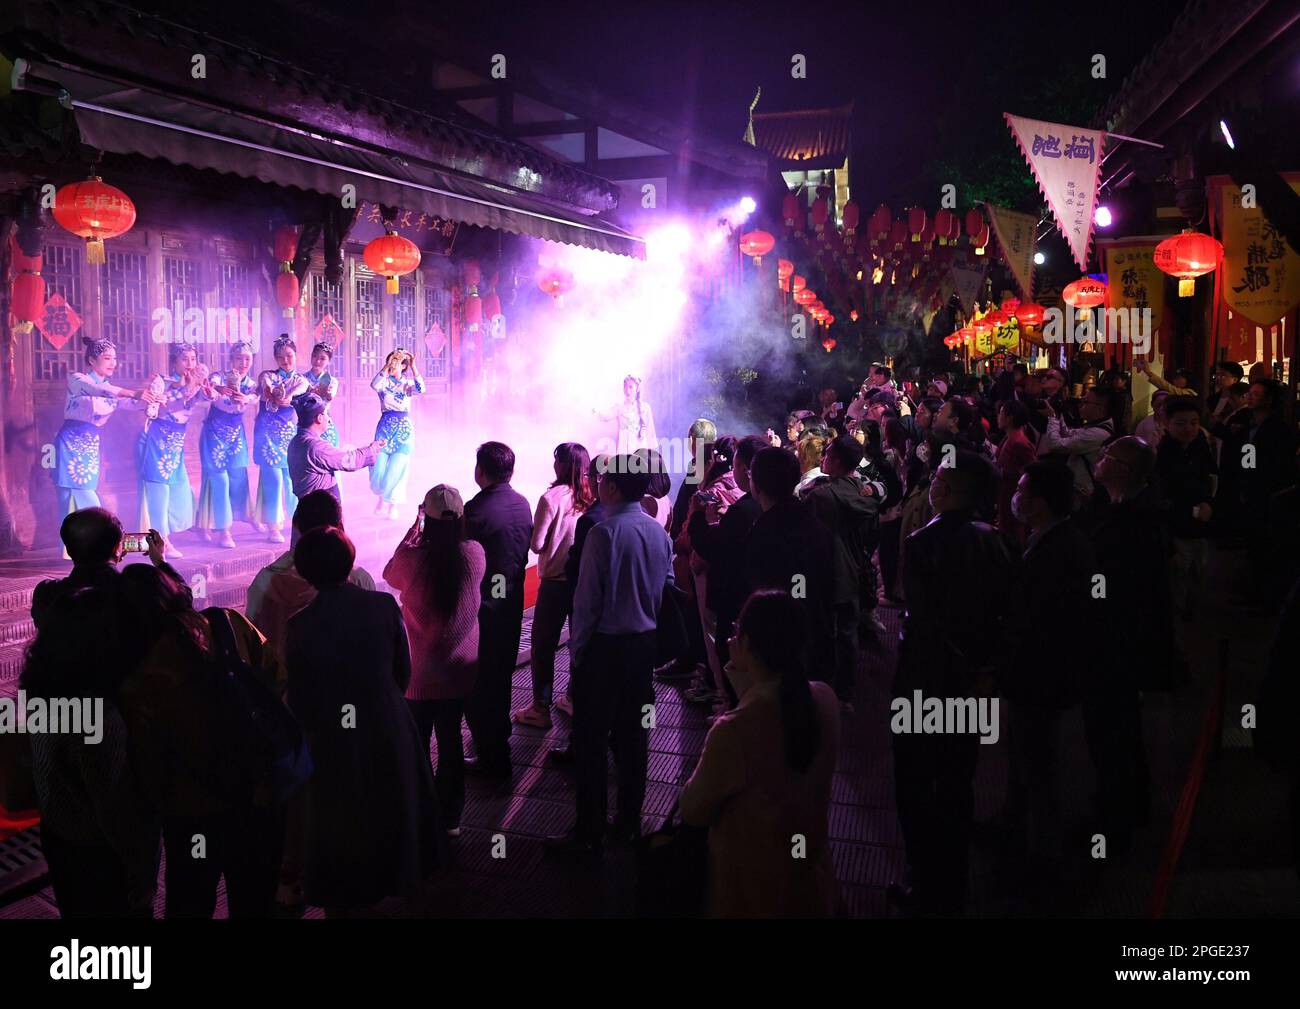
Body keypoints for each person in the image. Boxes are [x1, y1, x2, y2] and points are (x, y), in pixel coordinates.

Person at [285, 527, 441, 913]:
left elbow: (301, 697)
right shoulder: (382, 607)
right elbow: (402, 670)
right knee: (391, 802)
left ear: (306, 572)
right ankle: (397, 877)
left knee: (345, 814)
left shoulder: (300, 626)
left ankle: (346, 893)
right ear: (349, 562)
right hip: (387, 719)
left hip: (333, 733)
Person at [117, 561, 285, 918]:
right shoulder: (227, 622)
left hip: (193, 815)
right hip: (257, 795)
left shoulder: (139, 673)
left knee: (191, 898)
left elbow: (148, 761)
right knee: (255, 898)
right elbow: (277, 676)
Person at [890, 452, 1014, 916]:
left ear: (950, 489)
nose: (933, 484)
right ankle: (955, 882)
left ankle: (924, 884)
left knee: (917, 783)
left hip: (925, 680)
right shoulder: (999, 542)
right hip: (972, 681)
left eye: (940, 478)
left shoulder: (924, 542)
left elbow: (922, 619)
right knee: (959, 780)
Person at [679, 590, 840, 917]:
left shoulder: (734, 732)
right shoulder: (825, 699)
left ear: (748, 642)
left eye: (738, 629)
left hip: (751, 892)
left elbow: (692, 810)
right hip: (812, 881)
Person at [546, 452, 673, 857]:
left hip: (604, 649)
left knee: (592, 740)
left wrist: (580, 655)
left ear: (614, 487)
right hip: (642, 649)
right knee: (635, 739)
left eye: (603, 481)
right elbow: (663, 590)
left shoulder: (604, 534)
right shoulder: (658, 533)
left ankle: (589, 830)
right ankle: (630, 824)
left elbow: (586, 605)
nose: (597, 486)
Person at [22, 586, 159, 917]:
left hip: (58, 834)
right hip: (98, 850)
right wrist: (141, 873)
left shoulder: (41, 685)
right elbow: (114, 809)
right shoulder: (98, 717)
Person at [1002, 462, 1095, 885]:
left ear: (1039, 501)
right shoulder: (1057, 539)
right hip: (1046, 674)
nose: (1016, 496)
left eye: (1021, 489)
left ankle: (1043, 862)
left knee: (1039, 764)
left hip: (1042, 675)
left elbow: (1042, 620)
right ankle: (1017, 830)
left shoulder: (1058, 550)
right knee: (1029, 757)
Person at [1088, 436, 1175, 849]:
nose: (1100, 460)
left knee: (1114, 728)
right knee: (1119, 727)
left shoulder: (1133, 522)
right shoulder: (1120, 510)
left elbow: (1120, 589)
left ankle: (1118, 814)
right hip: (1121, 641)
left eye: (1107, 456)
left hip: (1117, 642)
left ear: (1122, 470)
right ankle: (1126, 800)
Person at [384, 485, 486, 836]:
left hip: (420, 674)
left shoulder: (413, 560)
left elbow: (389, 572)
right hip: (459, 672)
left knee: (418, 744)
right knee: (451, 740)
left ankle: (422, 815)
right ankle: (451, 819)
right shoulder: (474, 554)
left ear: (425, 517)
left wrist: (414, 528)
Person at [463, 441, 534, 778]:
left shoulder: (475, 510)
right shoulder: (522, 504)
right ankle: (497, 742)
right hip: (511, 602)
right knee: (501, 676)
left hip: (484, 608)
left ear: (480, 471)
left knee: (480, 684)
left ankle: (494, 759)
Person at [513, 443, 595, 729]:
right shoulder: (592, 495)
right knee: (579, 642)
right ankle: (574, 698)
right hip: (583, 583)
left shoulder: (551, 498)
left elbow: (536, 545)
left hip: (555, 584)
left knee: (543, 645)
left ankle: (541, 707)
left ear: (561, 465)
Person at [685, 435, 767, 708]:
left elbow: (712, 547)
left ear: (746, 469)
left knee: (727, 649)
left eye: (735, 464)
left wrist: (697, 515)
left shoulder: (745, 510)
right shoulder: (769, 505)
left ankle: (732, 709)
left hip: (734, 594)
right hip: (758, 594)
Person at [245, 491, 377, 658]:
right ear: (340, 527)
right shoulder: (359, 580)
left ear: (296, 525)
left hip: (282, 680)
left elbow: (251, 639)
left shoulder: (265, 582)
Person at [803, 434, 877, 711]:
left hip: (825, 573)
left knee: (821, 634)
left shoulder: (820, 497)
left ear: (834, 460)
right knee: (848, 636)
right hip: (855, 572)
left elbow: (806, 536)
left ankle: (819, 693)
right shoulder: (865, 493)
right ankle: (844, 694)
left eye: (827, 454)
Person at [53, 337, 160, 519]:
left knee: (82, 492)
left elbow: (132, 404)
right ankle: (83, 541)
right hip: (70, 442)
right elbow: (97, 389)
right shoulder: (78, 379)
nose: (113, 363)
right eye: (107, 358)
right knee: (73, 495)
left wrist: (153, 397)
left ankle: (79, 545)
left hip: (90, 444)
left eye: (114, 358)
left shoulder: (112, 390)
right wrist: (134, 393)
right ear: (92, 360)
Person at [136, 342, 205, 557]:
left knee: (180, 491)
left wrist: (206, 389)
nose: (189, 364)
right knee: (160, 490)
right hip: (158, 439)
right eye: (184, 359)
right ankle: (160, 540)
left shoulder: (194, 383)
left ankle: (167, 536)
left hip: (176, 443)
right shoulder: (162, 382)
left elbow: (205, 399)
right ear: (173, 362)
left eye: (193, 359)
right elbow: (168, 405)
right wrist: (189, 387)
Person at [1156, 398, 1217, 617]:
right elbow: (1160, 497)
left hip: (1201, 524)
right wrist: (1194, 510)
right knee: (1178, 574)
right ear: (1167, 422)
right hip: (1176, 527)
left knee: (1200, 570)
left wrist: (1208, 503)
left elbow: (1210, 477)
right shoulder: (1161, 454)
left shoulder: (1201, 445)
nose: (1189, 428)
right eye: (1181, 423)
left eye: (1194, 422)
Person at [196, 341, 257, 549]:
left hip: (236, 435)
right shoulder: (217, 377)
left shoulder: (250, 383)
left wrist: (246, 397)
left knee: (238, 477)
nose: (243, 362)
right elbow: (209, 392)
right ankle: (223, 530)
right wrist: (216, 391)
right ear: (231, 360)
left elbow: (255, 397)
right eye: (239, 358)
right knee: (218, 480)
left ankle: (208, 522)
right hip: (214, 433)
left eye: (248, 358)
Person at [253, 335, 311, 543]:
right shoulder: (267, 376)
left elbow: (294, 395)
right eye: (280, 357)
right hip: (267, 435)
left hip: (289, 436)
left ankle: (299, 521)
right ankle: (273, 526)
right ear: (275, 359)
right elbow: (268, 391)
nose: (285, 360)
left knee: (291, 480)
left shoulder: (302, 380)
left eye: (289, 356)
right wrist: (274, 395)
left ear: (296, 355)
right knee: (273, 479)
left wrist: (287, 398)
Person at [32, 507, 123, 630]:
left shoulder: (47, 593)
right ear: (117, 547)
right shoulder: (136, 591)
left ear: (68, 551)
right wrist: (159, 563)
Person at [286, 393, 382, 502]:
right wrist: (372, 449)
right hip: (321, 508)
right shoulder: (315, 447)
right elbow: (348, 461)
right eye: (326, 414)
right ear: (319, 418)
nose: (329, 419)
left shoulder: (296, 441)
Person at [1035, 386, 1119, 508]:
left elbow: (1055, 445)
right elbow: (1068, 434)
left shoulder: (1097, 434)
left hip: (1084, 497)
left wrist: (1052, 417)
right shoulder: (1097, 428)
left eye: (1085, 402)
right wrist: (1059, 413)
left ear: (1100, 409)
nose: (1080, 405)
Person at [370, 349, 427, 518]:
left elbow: (421, 389)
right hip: (385, 428)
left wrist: (414, 366)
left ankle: (392, 504)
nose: (394, 363)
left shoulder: (407, 385)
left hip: (404, 431)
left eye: (397, 361)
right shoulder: (383, 383)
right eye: (391, 360)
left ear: (403, 366)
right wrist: (388, 366)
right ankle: (381, 496)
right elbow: (374, 385)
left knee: (398, 469)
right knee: (378, 468)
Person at [995, 399, 1037, 545]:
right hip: (1005, 496)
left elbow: (1032, 473)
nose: (998, 416)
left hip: (1013, 498)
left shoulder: (1020, 443)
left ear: (1010, 417)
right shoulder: (1010, 438)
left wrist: (1003, 472)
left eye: (1001, 413)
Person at [594, 374, 658, 455]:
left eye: (630, 387)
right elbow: (606, 416)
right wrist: (595, 411)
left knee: (640, 464)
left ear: (637, 389)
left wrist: (650, 453)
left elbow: (650, 430)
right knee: (624, 465)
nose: (627, 390)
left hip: (640, 447)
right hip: (624, 448)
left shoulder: (645, 407)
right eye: (625, 387)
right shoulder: (619, 407)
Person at [303, 342, 341, 447]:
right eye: (314, 356)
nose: (317, 361)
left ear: (329, 361)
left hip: (323, 423)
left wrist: (327, 395)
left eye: (323, 358)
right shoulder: (301, 379)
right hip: (305, 424)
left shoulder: (332, 381)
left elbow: (329, 397)